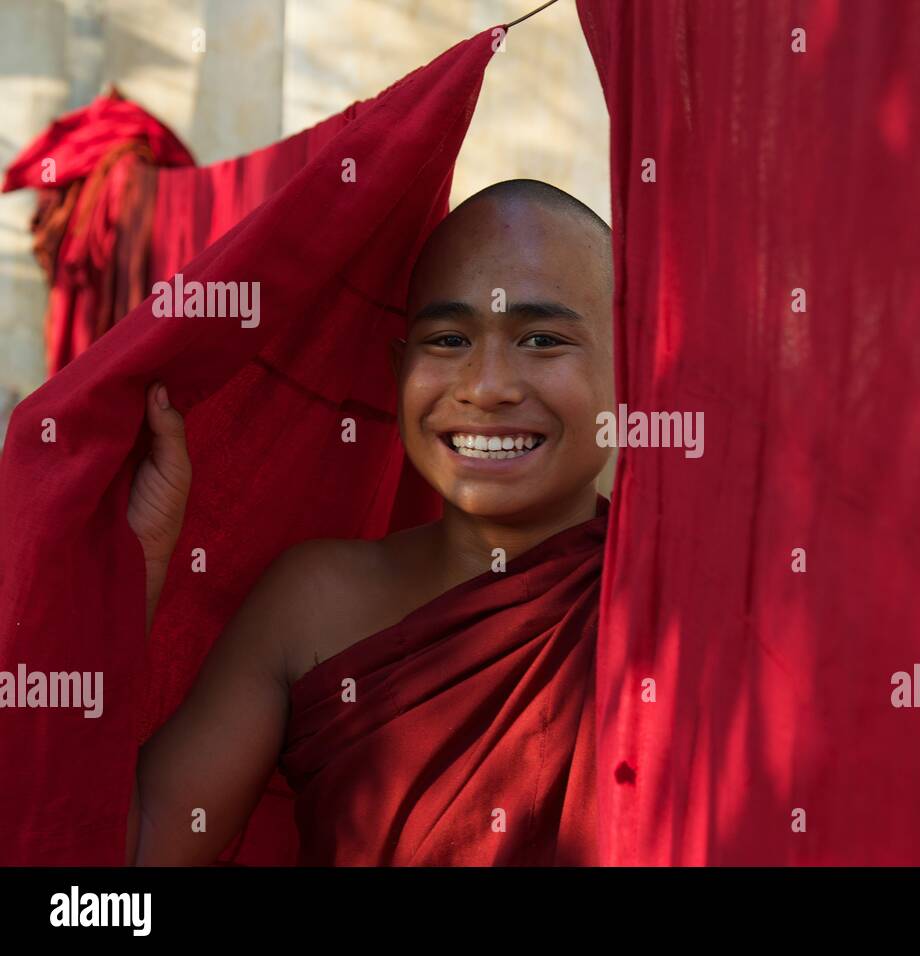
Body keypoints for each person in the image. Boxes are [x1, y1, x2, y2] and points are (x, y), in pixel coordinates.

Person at [125, 179, 616, 865]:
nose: (485, 385)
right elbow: (134, 859)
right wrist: (131, 564)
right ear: (398, 369)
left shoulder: (671, 603)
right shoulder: (315, 601)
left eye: (540, 339)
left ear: (634, 374)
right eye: (447, 339)